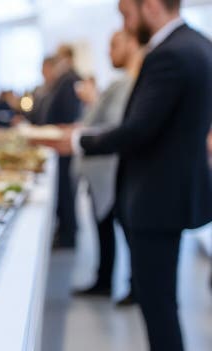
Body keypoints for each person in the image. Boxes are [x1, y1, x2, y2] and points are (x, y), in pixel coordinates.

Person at [45, 0, 212, 351]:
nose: (124, 22)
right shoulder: (194, 45)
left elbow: (140, 129)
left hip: (157, 198)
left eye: (126, 14)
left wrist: (79, 142)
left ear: (151, 6)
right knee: (160, 303)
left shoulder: (170, 53)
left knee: (159, 305)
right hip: (166, 194)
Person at [72, 30, 143, 301]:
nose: (109, 51)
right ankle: (109, 280)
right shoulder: (123, 82)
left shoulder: (127, 83)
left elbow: (115, 127)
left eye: (114, 45)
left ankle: (126, 285)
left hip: (111, 170)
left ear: (132, 43)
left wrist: (79, 137)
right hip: (108, 169)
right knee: (110, 229)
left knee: (122, 230)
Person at [43, 45, 84, 248]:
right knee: (65, 189)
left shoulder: (69, 78)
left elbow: (68, 111)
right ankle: (66, 230)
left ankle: (68, 234)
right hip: (62, 139)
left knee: (67, 189)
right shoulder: (68, 78)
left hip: (65, 140)